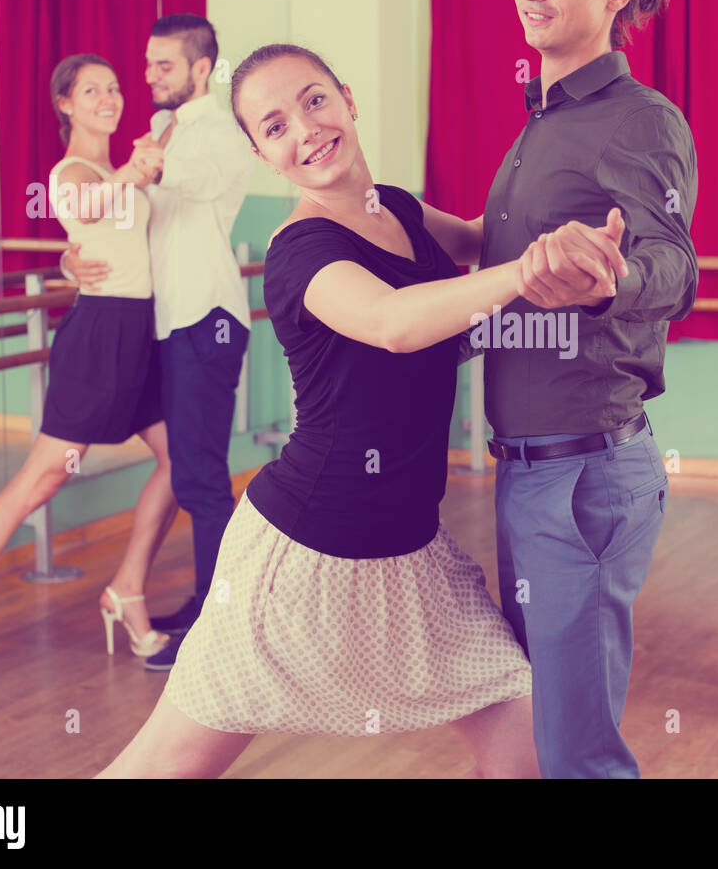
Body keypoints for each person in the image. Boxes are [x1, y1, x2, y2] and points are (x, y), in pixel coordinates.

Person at [97, 43, 625, 777]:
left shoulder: (398, 208)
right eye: (275, 126)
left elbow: (483, 238)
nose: (306, 129)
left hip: (410, 551)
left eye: (314, 101)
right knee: (163, 768)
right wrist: (527, 272)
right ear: (263, 156)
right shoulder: (299, 252)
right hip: (301, 552)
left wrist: (576, 231)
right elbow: (395, 323)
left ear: (347, 98)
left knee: (522, 734)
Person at [464, 0, 699, 779]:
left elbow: (676, 270)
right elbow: (514, 271)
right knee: (539, 736)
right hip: (525, 471)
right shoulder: (544, 117)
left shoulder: (641, 120)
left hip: (582, 478)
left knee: (578, 757)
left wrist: (614, 282)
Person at [0, 54, 177, 698]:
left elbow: (111, 232)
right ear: (65, 104)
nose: (109, 97)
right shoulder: (74, 171)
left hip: (138, 336)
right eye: (91, 90)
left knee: (181, 462)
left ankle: (125, 590)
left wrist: (78, 254)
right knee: (35, 486)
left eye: (114, 87)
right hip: (98, 341)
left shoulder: (118, 167)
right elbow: (83, 204)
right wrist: (129, 175)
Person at [63, 15, 253, 671]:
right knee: (189, 470)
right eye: (146, 63)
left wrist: (135, 168)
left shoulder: (215, 135)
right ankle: (206, 606)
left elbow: (150, 179)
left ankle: (222, 627)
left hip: (206, 318)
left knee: (200, 478)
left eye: (162, 66)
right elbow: (126, 219)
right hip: (171, 322)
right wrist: (70, 257)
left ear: (201, 69)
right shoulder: (170, 129)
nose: (148, 77)